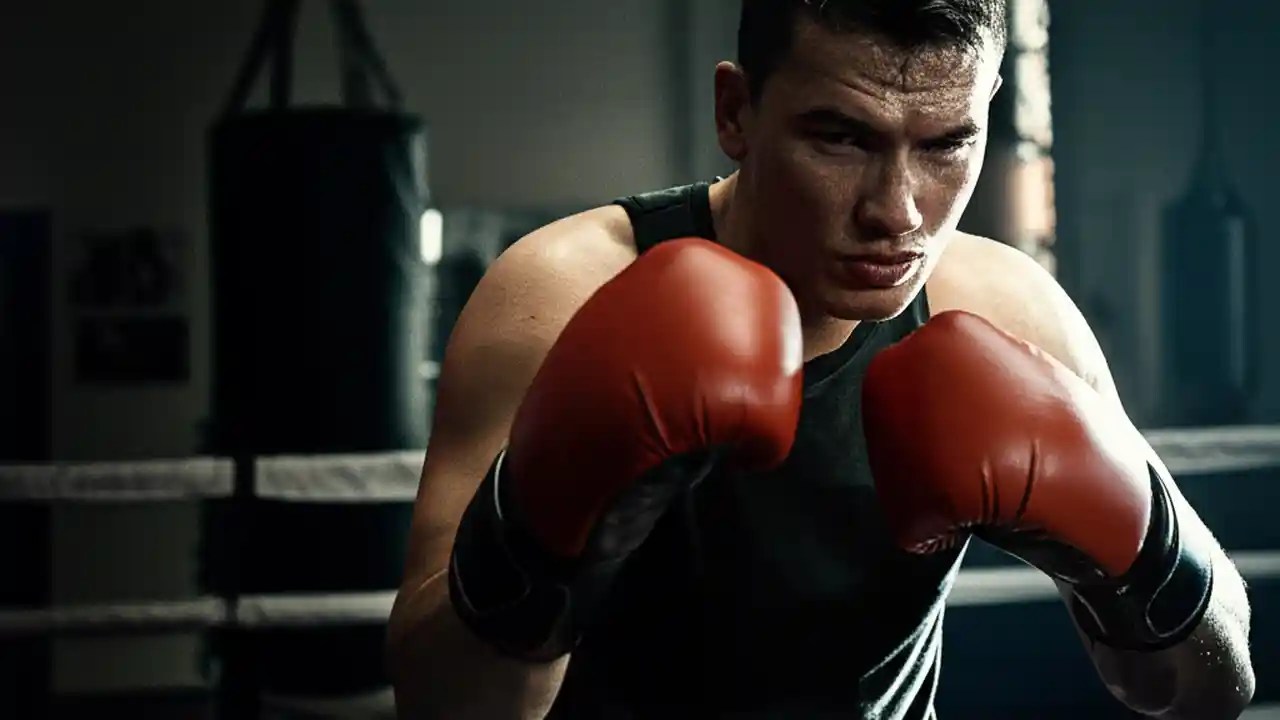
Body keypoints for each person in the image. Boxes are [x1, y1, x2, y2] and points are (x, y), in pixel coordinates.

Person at [386, 1, 1256, 717]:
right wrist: (542, 520)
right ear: (736, 113)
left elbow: (1205, 689)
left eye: (947, 143)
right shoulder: (563, 293)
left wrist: (1143, 560)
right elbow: (444, 703)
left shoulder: (1002, 307)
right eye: (842, 138)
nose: (899, 213)